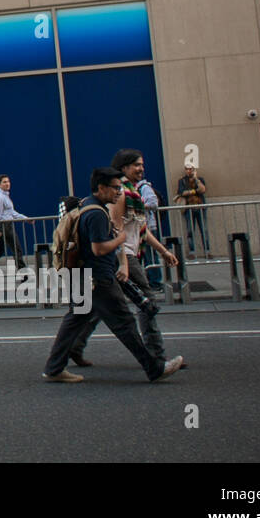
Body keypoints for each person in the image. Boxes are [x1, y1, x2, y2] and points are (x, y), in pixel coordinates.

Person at [42, 167, 184, 383]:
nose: (120, 192)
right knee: (124, 323)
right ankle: (154, 368)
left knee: (76, 319)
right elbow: (99, 249)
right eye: (116, 188)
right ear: (101, 188)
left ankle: (54, 368)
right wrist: (120, 239)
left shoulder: (86, 205)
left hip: (83, 275)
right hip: (98, 278)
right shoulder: (97, 214)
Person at [70, 149, 181, 369]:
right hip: (125, 257)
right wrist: (123, 264)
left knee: (99, 306)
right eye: (136, 165)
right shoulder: (121, 195)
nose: (141, 169)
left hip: (126, 256)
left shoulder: (132, 193)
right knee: (146, 302)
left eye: (142, 165)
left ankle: (74, 345)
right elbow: (116, 229)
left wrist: (163, 251)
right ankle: (156, 357)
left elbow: (140, 228)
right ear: (124, 168)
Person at [0, 175, 26, 264]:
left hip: (6, 225)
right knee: (17, 249)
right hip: (4, 226)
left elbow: (11, 212)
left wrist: (25, 218)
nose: (7, 184)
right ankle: (23, 273)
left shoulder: (5, 196)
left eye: (8, 181)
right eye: (4, 182)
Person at [174, 166, 209, 255]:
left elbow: (203, 189)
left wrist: (196, 178)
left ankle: (207, 251)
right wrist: (195, 191)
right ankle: (192, 251)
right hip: (189, 208)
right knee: (190, 231)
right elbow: (182, 192)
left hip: (200, 207)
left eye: (191, 169)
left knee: (204, 230)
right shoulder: (182, 181)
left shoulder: (200, 179)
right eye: (187, 169)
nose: (189, 171)